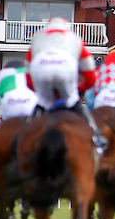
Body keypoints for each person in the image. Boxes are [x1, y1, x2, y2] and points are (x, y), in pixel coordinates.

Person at [27, 17, 100, 149]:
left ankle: (24, 138)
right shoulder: (74, 38)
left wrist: (39, 91)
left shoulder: (37, 38)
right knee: (73, 102)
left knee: (42, 103)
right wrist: (80, 89)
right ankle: (96, 135)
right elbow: (89, 71)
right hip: (65, 65)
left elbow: (28, 75)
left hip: (41, 65)